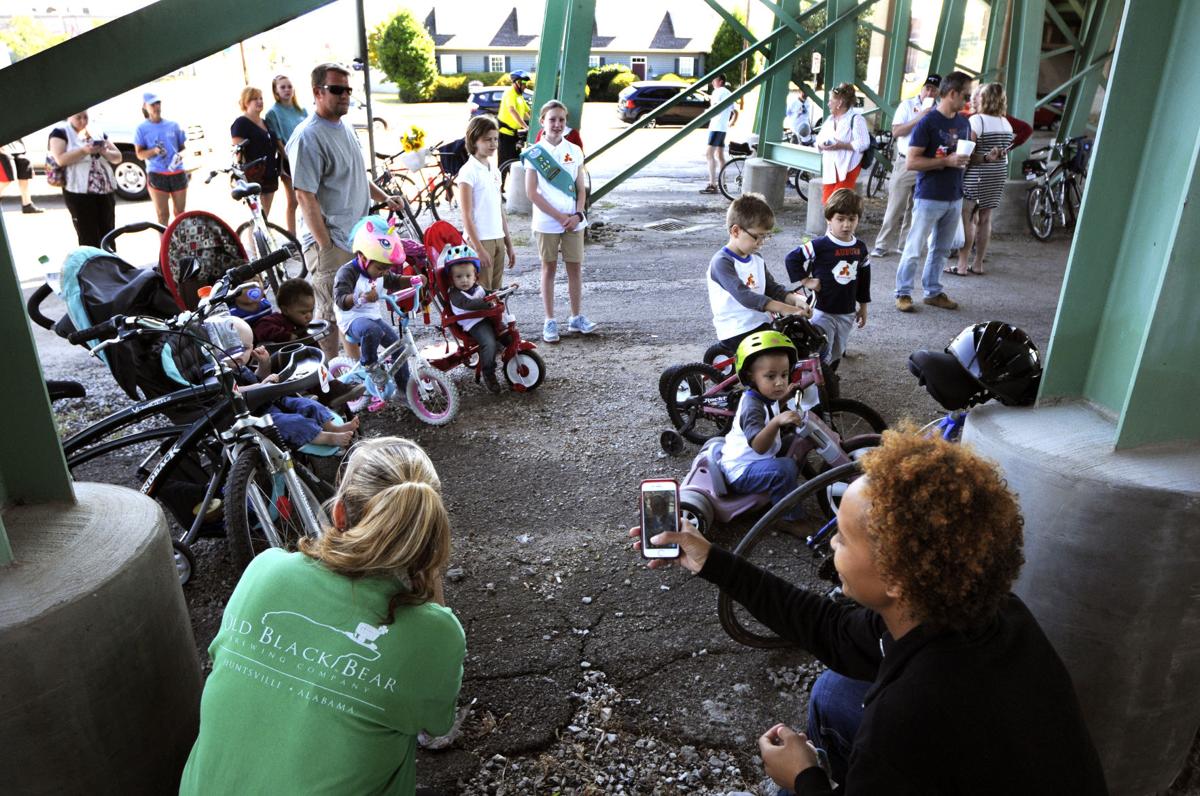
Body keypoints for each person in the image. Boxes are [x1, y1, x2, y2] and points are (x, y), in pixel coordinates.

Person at [632, 429, 1107, 795]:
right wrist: (709, 559)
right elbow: (828, 627)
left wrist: (804, 778)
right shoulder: (990, 610)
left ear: (897, 577)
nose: (830, 545)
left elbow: (902, 731)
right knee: (836, 689)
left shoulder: (906, 717)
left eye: (842, 538)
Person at [179, 436, 466, 795]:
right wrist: (428, 571)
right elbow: (437, 726)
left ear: (339, 513)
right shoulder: (436, 635)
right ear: (427, 530)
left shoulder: (264, 571)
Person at [287, 62, 403, 361]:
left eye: (348, 90)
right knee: (330, 311)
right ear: (317, 92)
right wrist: (325, 245)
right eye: (337, 89)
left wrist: (384, 197)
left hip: (357, 238)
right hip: (331, 241)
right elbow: (304, 195)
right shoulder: (308, 136)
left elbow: (356, 173)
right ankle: (331, 380)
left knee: (358, 308)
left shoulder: (346, 127)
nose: (345, 96)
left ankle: (356, 376)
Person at [893, 71, 974, 313]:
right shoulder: (927, 123)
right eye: (966, 96)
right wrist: (945, 162)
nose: (968, 101)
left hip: (954, 195)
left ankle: (933, 291)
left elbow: (960, 156)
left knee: (941, 249)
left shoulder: (963, 122)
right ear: (952, 93)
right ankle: (903, 293)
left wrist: (980, 157)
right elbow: (912, 162)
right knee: (914, 247)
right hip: (929, 195)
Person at [522, 100, 595, 343]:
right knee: (549, 268)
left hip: (573, 220)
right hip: (547, 221)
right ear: (542, 121)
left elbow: (580, 186)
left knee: (574, 268)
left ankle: (576, 316)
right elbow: (532, 192)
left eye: (561, 120)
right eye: (552, 119)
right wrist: (560, 217)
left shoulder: (574, 150)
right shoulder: (534, 153)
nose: (557, 124)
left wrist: (577, 214)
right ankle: (550, 320)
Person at [225, 316, 358, 449]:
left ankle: (333, 427)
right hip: (256, 416)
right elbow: (233, 391)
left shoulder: (241, 367)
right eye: (232, 350)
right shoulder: (221, 374)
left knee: (308, 404)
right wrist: (260, 385)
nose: (239, 355)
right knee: (292, 422)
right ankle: (326, 438)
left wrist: (264, 364)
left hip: (270, 401)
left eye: (245, 349)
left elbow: (258, 378)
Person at [719, 331, 806, 523]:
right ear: (751, 377)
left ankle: (799, 487)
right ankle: (789, 520)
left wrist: (785, 397)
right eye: (770, 376)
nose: (780, 382)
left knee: (798, 442)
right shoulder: (751, 406)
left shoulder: (766, 395)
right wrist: (777, 422)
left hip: (758, 460)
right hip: (742, 472)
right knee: (784, 469)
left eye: (784, 375)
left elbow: (772, 408)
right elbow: (759, 446)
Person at [706, 192, 809, 354]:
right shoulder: (722, 262)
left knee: (801, 337)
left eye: (765, 237)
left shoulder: (756, 259)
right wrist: (785, 309)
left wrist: (795, 300)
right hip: (736, 329)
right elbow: (746, 297)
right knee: (775, 354)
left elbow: (773, 288)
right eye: (757, 237)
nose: (761, 243)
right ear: (735, 231)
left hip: (759, 323)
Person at [784, 188, 870, 368]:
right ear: (829, 219)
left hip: (847, 311)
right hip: (822, 311)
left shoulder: (860, 248)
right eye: (840, 219)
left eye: (852, 219)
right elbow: (792, 258)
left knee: (837, 350)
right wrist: (806, 280)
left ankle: (830, 380)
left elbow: (864, 279)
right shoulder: (819, 245)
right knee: (821, 349)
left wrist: (862, 307)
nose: (846, 225)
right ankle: (816, 383)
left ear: (858, 219)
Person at [333, 215, 409, 413]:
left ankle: (404, 391)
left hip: (372, 317)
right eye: (380, 268)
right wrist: (361, 297)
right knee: (372, 330)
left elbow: (393, 280)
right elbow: (340, 300)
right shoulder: (347, 272)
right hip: (351, 319)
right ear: (363, 257)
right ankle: (370, 366)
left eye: (387, 268)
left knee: (398, 346)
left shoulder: (381, 271)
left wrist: (413, 280)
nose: (384, 272)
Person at [947, 82, 1014, 276]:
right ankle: (978, 263)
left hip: (978, 174)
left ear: (986, 99)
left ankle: (961, 264)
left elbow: (968, 151)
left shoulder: (976, 121)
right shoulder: (1006, 123)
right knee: (985, 218)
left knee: (968, 218)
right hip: (998, 173)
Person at [870, 74, 940, 258]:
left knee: (916, 207)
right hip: (905, 161)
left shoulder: (939, 110)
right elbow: (897, 131)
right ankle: (882, 244)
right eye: (927, 88)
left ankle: (905, 243)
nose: (930, 92)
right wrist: (921, 116)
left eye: (934, 89)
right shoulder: (907, 105)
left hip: (926, 162)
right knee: (895, 205)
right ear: (922, 88)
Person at [445, 244, 513, 394]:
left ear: (475, 275)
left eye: (468, 276)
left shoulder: (477, 287)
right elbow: (470, 304)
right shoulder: (456, 295)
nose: (464, 280)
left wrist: (502, 291)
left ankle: (514, 357)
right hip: (473, 323)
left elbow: (489, 292)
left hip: (486, 317)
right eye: (459, 277)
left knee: (507, 334)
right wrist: (487, 303)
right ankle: (488, 372)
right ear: (451, 278)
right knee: (488, 342)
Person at [458, 114, 515, 291]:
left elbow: (499, 209)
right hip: (480, 239)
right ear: (474, 140)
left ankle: (497, 320)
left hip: (498, 237)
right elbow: (466, 215)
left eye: (496, 139)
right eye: (487, 140)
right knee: (481, 291)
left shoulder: (495, 170)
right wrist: (479, 249)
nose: (493, 144)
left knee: (496, 292)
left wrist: (509, 244)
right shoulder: (468, 172)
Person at [46, 114, 122, 246]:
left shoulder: (97, 131)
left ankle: (111, 263)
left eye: (85, 117)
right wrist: (84, 151)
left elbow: (118, 157)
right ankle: (92, 264)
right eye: (78, 118)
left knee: (109, 231)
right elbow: (60, 160)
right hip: (78, 191)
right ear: (70, 117)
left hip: (105, 189)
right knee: (88, 233)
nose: (83, 121)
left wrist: (105, 152)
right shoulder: (60, 133)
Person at [134, 91, 188, 225]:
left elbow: (183, 148)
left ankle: (181, 243)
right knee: (162, 215)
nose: (156, 107)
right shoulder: (141, 128)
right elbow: (139, 154)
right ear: (145, 106)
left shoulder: (173, 125)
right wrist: (154, 151)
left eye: (158, 103)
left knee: (180, 213)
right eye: (152, 104)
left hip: (177, 172)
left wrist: (180, 156)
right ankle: (165, 245)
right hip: (157, 174)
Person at [264, 74, 308, 236]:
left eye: (289, 86)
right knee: (294, 201)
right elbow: (279, 141)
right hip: (289, 162)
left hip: (308, 159)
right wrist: (292, 159)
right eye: (282, 87)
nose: (287, 90)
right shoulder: (272, 113)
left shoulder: (301, 110)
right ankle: (293, 237)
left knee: (313, 198)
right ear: (276, 91)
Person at [815, 83, 870, 205]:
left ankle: (840, 223)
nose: (828, 104)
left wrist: (841, 145)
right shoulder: (830, 120)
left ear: (839, 103)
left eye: (830, 101)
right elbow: (818, 140)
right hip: (830, 169)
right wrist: (821, 145)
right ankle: (830, 225)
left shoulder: (856, 119)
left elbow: (863, 143)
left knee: (839, 204)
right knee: (827, 204)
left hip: (847, 167)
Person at [231, 86, 280, 219]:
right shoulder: (241, 123)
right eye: (254, 99)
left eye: (261, 98)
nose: (259, 101)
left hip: (270, 171)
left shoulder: (264, 122)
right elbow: (238, 154)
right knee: (256, 216)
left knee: (265, 215)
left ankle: (263, 238)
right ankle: (252, 240)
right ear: (246, 102)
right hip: (254, 175)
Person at [254, 277, 315, 344]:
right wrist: (286, 336)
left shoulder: (300, 323)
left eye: (311, 311)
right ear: (285, 310)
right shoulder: (278, 320)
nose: (309, 316)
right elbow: (261, 328)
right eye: (303, 312)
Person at [700, 74, 734, 194]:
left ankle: (712, 184)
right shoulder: (728, 93)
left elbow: (714, 108)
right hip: (722, 127)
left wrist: (706, 112)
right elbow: (734, 111)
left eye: (714, 80)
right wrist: (730, 123)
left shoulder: (717, 92)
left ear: (720, 81)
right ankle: (722, 182)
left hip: (715, 127)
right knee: (720, 156)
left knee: (709, 154)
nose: (713, 82)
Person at [497, 69, 531, 186]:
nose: (525, 86)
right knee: (503, 163)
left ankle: (515, 187)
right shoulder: (510, 94)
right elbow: (512, 110)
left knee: (515, 162)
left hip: (514, 135)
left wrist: (540, 122)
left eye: (526, 84)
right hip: (505, 134)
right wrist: (525, 126)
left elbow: (528, 111)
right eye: (523, 84)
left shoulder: (519, 97)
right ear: (516, 83)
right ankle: (499, 189)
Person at [0, 139, 44, 214]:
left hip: (17, 147)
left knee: (24, 176)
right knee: (7, 179)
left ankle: (27, 205)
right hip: (3, 148)